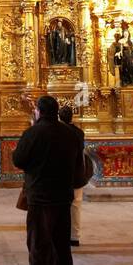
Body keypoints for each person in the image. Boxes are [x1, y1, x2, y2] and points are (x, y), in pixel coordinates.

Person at [11, 95, 83, 265]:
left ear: (39, 112)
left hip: (41, 197)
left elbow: (19, 159)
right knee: (62, 242)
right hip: (63, 196)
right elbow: (78, 163)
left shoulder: (33, 133)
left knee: (39, 243)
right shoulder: (70, 134)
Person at [59, 105, 94, 248]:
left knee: (61, 206)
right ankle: (75, 237)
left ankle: (62, 234)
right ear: (71, 117)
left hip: (61, 175)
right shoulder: (79, 132)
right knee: (76, 206)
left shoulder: (58, 132)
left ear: (60, 117)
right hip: (77, 174)